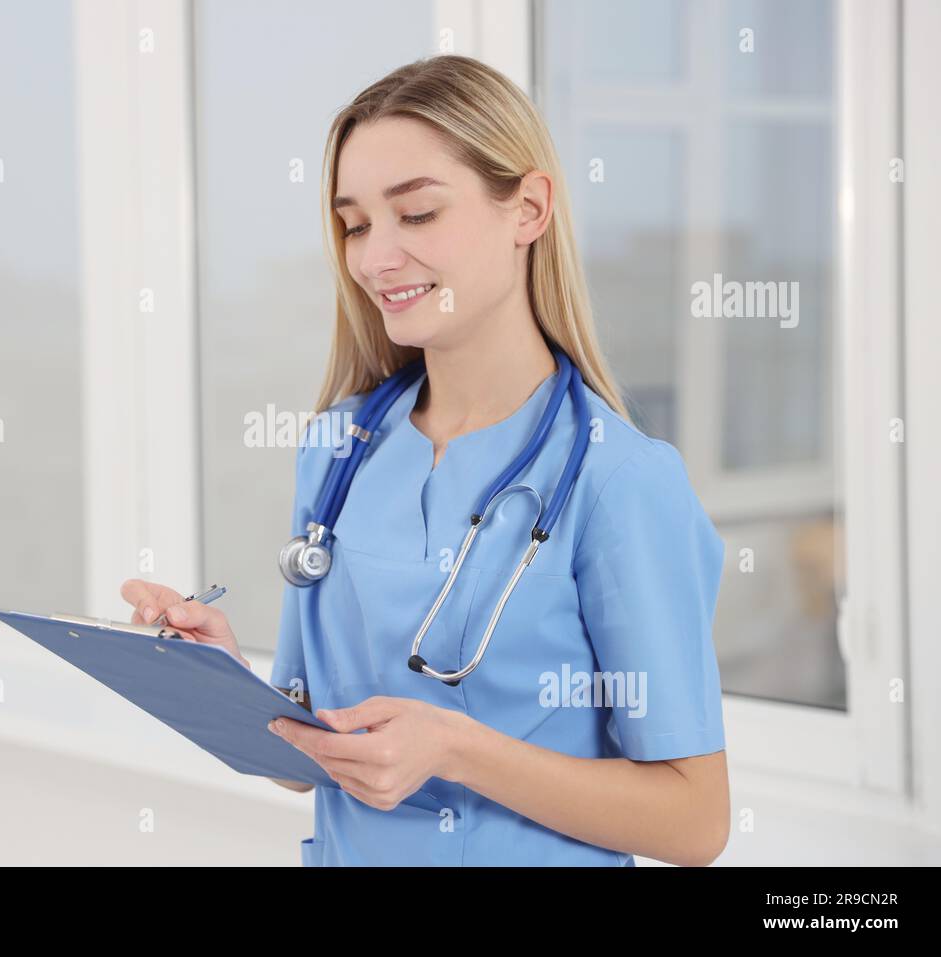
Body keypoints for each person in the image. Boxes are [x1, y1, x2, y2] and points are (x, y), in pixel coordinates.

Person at [122, 54, 728, 867]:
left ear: (530, 209)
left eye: (416, 214)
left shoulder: (617, 481)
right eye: (356, 224)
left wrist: (455, 748)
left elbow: (695, 822)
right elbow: (314, 759)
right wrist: (225, 677)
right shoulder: (338, 448)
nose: (374, 259)